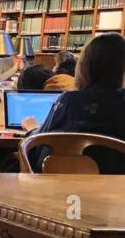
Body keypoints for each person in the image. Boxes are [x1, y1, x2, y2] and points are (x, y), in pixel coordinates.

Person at [33, 33, 125, 173]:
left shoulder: (67, 101)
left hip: (61, 187)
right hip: (117, 190)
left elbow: (37, 144)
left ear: (84, 65)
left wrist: (32, 129)